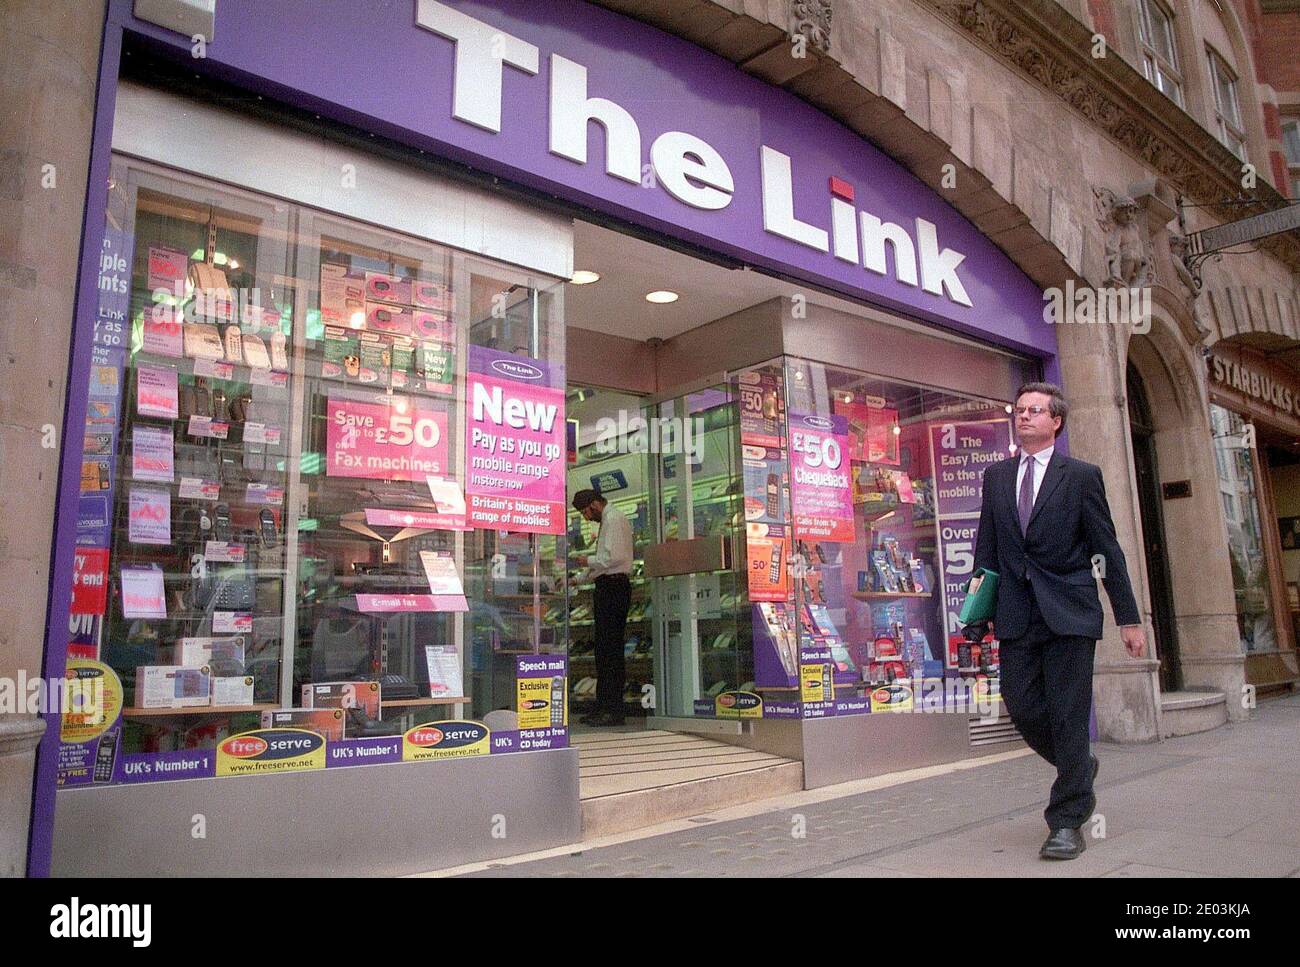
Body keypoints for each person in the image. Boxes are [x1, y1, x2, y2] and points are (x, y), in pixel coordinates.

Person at [973, 382, 1146, 860]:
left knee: (1069, 713)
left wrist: (1128, 618)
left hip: (1070, 612)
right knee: (1022, 704)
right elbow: (986, 550)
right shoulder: (997, 477)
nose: (1024, 416)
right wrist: (976, 612)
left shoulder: (1081, 476)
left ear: (1056, 422)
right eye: (1019, 410)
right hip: (1015, 613)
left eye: (1034, 410)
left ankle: (1067, 821)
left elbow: (1106, 550)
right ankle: (1078, 766)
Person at [570, 489, 634, 727]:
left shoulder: (614, 519)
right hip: (607, 585)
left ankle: (613, 710)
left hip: (614, 587)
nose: (587, 517)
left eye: (586, 511)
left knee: (611, 650)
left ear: (595, 504)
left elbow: (612, 558)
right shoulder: (608, 520)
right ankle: (604, 705)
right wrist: (580, 578)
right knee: (604, 651)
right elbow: (604, 562)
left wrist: (585, 561)